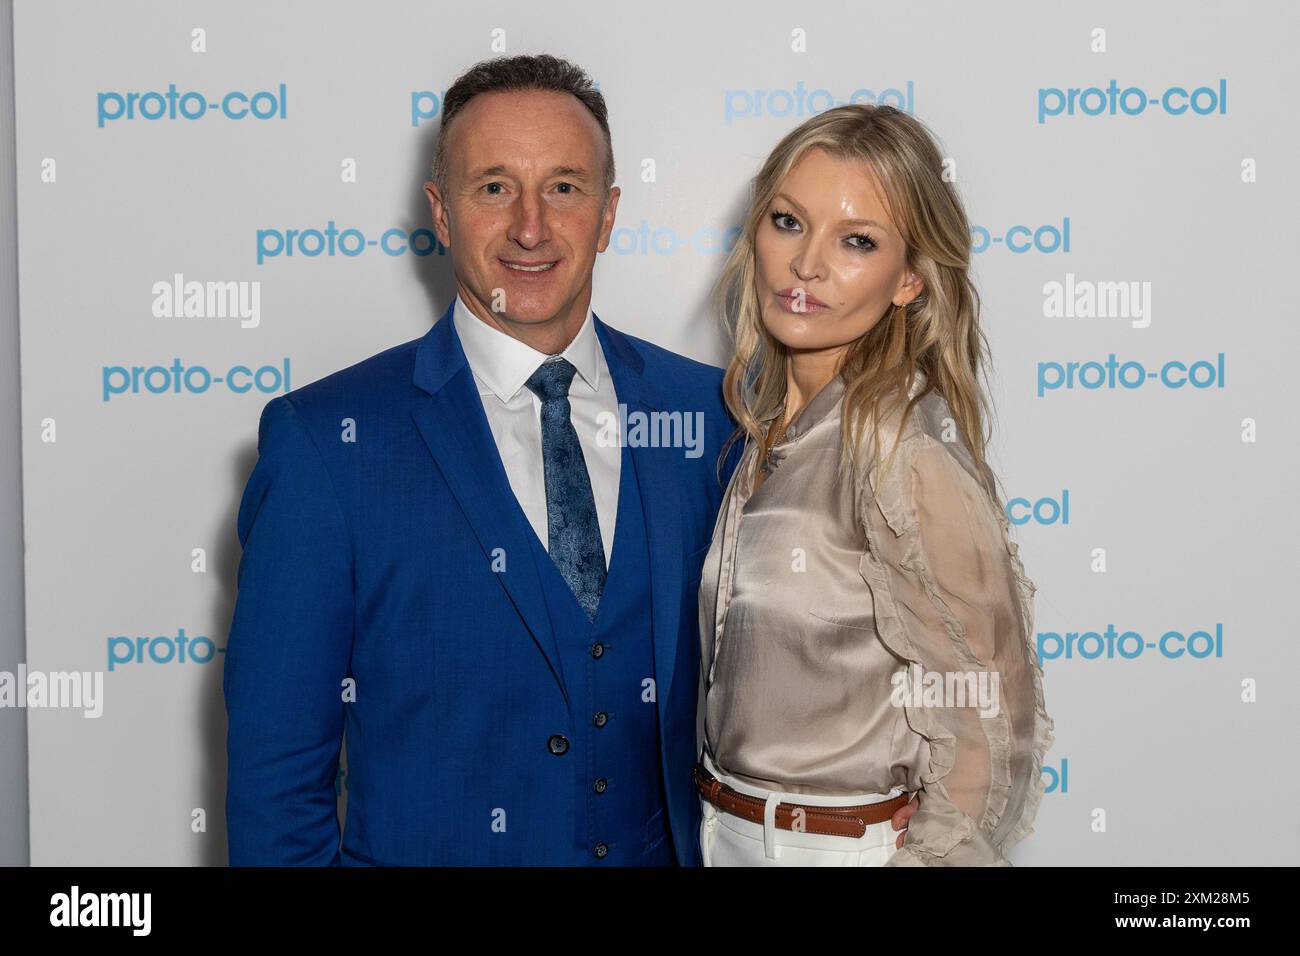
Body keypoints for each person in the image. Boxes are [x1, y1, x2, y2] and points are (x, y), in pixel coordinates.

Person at [223, 54, 918, 866]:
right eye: (493, 188)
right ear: (441, 213)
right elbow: (276, 787)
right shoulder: (328, 443)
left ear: (609, 211)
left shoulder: (714, 416)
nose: (530, 225)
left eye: (563, 187)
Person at [696, 104, 1054, 866]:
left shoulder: (901, 452)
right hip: (719, 834)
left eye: (857, 241)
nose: (807, 264)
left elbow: (992, 724)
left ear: (909, 282)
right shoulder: (759, 430)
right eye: (789, 222)